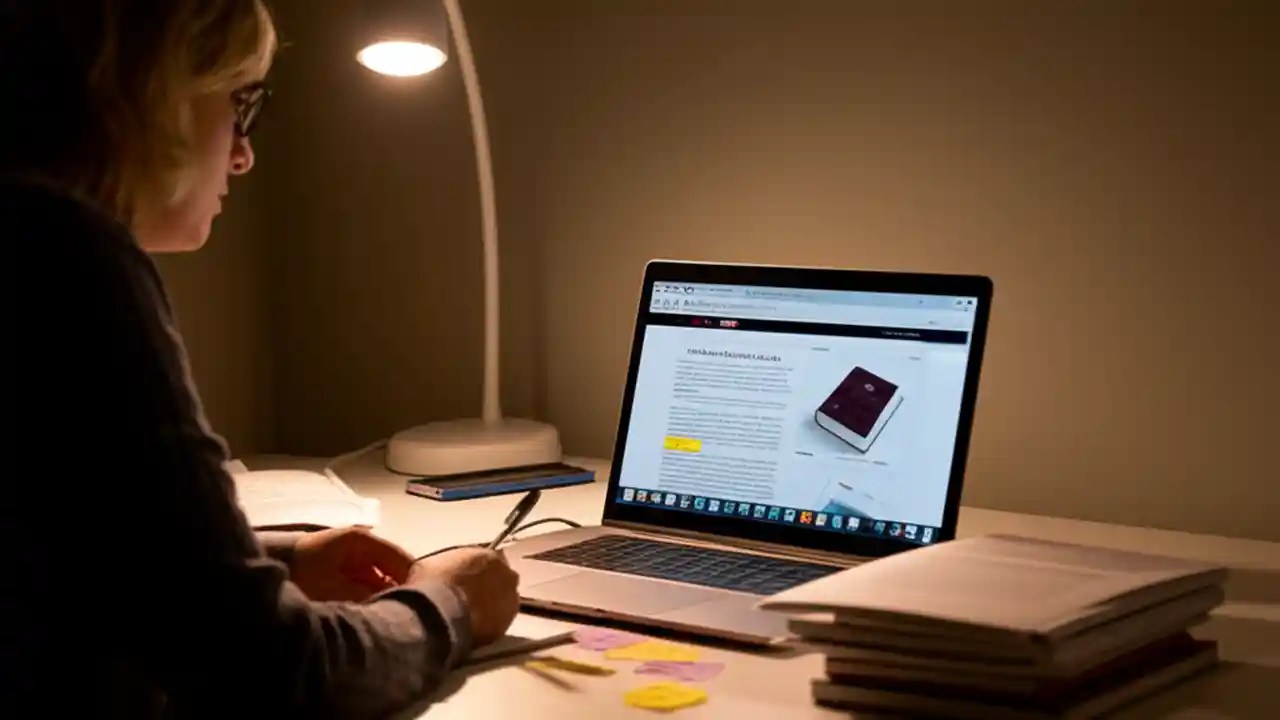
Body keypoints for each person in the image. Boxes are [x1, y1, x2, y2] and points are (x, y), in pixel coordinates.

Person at [0, 1, 519, 716]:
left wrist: (279, 559)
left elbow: (72, 554)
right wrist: (450, 604)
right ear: (153, 98)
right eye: (238, 104)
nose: (243, 153)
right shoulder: (62, 259)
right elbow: (275, 670)